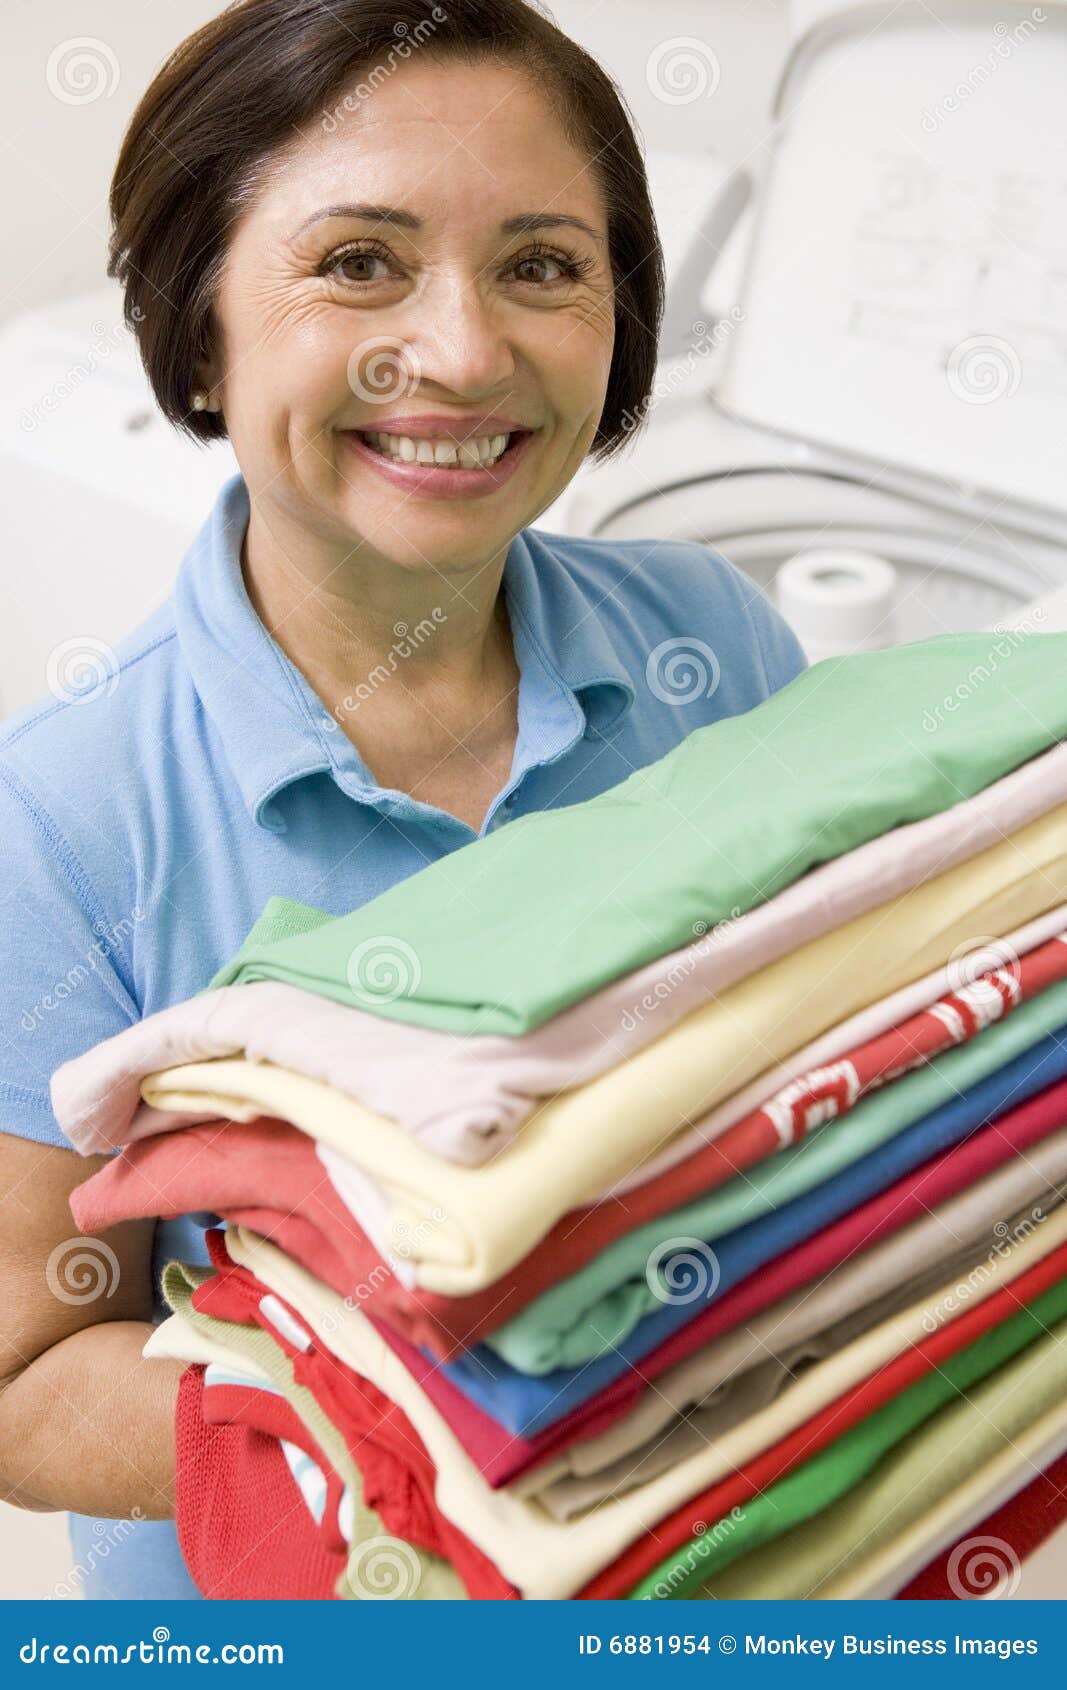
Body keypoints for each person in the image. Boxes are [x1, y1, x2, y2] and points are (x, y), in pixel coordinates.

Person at [0, 0, 807, 1599]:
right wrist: (441, 1425)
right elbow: (25, 1377)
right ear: (200, 318)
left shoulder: (712, 649)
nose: (463, 352)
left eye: (543, 265)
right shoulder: (62, 816)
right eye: (360, 262)